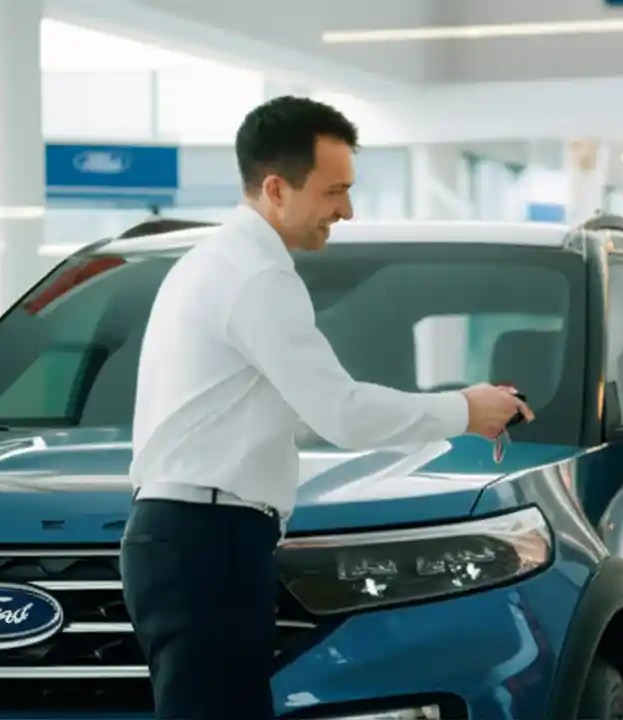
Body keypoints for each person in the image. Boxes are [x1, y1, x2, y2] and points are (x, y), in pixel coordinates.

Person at [119, 96, 534, 719]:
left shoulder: (211, 263)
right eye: (334, 191)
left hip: (192, 536)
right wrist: (466, 410)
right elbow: (342, 414)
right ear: (276, 189)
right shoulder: (257, 276)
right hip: (207, 540)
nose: (346, 210)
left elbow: (294, 410)